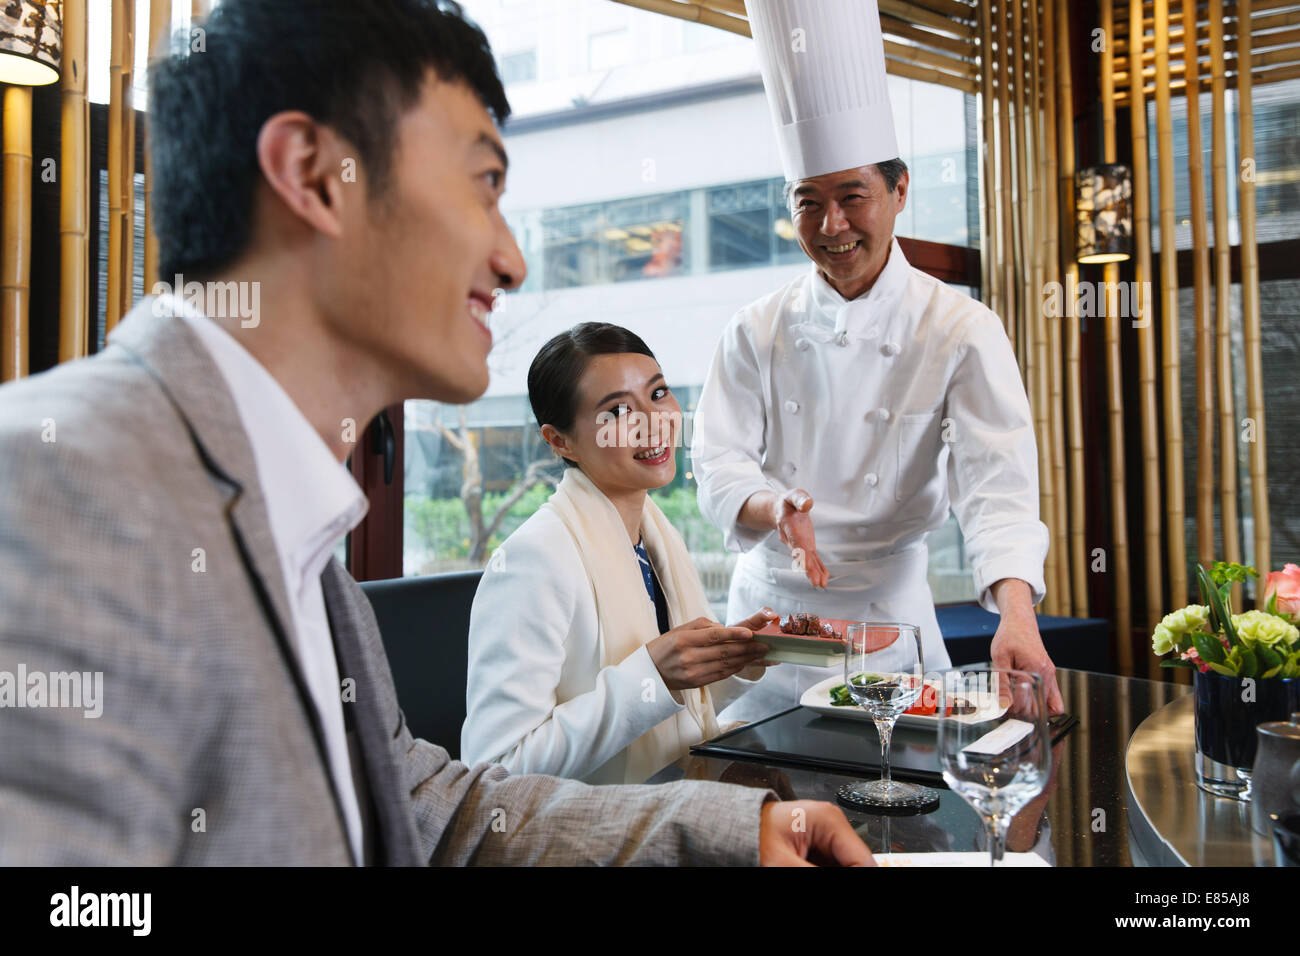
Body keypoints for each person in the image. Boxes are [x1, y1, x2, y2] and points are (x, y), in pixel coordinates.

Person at [0, 0, 871, 866]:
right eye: (482, 184)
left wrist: (735, 830)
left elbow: (431, 810)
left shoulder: (300, 536)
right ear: (314, 176)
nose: (512, 259)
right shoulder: (59, 490)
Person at [691, 0, 1063, 723]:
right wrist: (777, 505)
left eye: (852, 196)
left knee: (903, 804)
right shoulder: (754, 329)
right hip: (769, 627)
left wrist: (1015, 611)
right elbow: (717, 464)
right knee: (756, 803)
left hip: (888, 624)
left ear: (898, 192)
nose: (832, 226)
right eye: (809, 202)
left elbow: (997, 483)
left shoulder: (960, 327)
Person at [462, 323, 777, 783]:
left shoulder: (654, 535)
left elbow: (673, 717)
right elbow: (495, 773)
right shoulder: (534, 561)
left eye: (659, 393)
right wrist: (652, 677)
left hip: (668, 805)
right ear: (559, 441)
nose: (654, 421)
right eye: (617, 411)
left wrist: (732, 659)